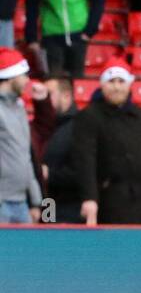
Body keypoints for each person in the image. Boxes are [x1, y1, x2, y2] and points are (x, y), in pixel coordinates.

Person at [72, 60, 141, 225]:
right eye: (111, 81)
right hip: (108, 198)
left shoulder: (139, 115)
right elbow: (85, 159)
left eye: (121, 81)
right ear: (102, 85)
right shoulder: (89, 116)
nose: (117, 87)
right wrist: (90, 197)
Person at [0, 49, 41, 224]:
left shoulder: (19, 107)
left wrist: (36, 201)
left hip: (22, 202)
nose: (27, 81)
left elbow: (26, 156)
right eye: (23, 75)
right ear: (11, 75)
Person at [39, 76, 81, 223]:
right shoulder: (44, 126)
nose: (44, 98)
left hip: (70, 208)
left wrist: (49, 174)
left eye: (49, 93)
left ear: (66, 96)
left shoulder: (80, 127)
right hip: (46, 205)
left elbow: (83, 171)